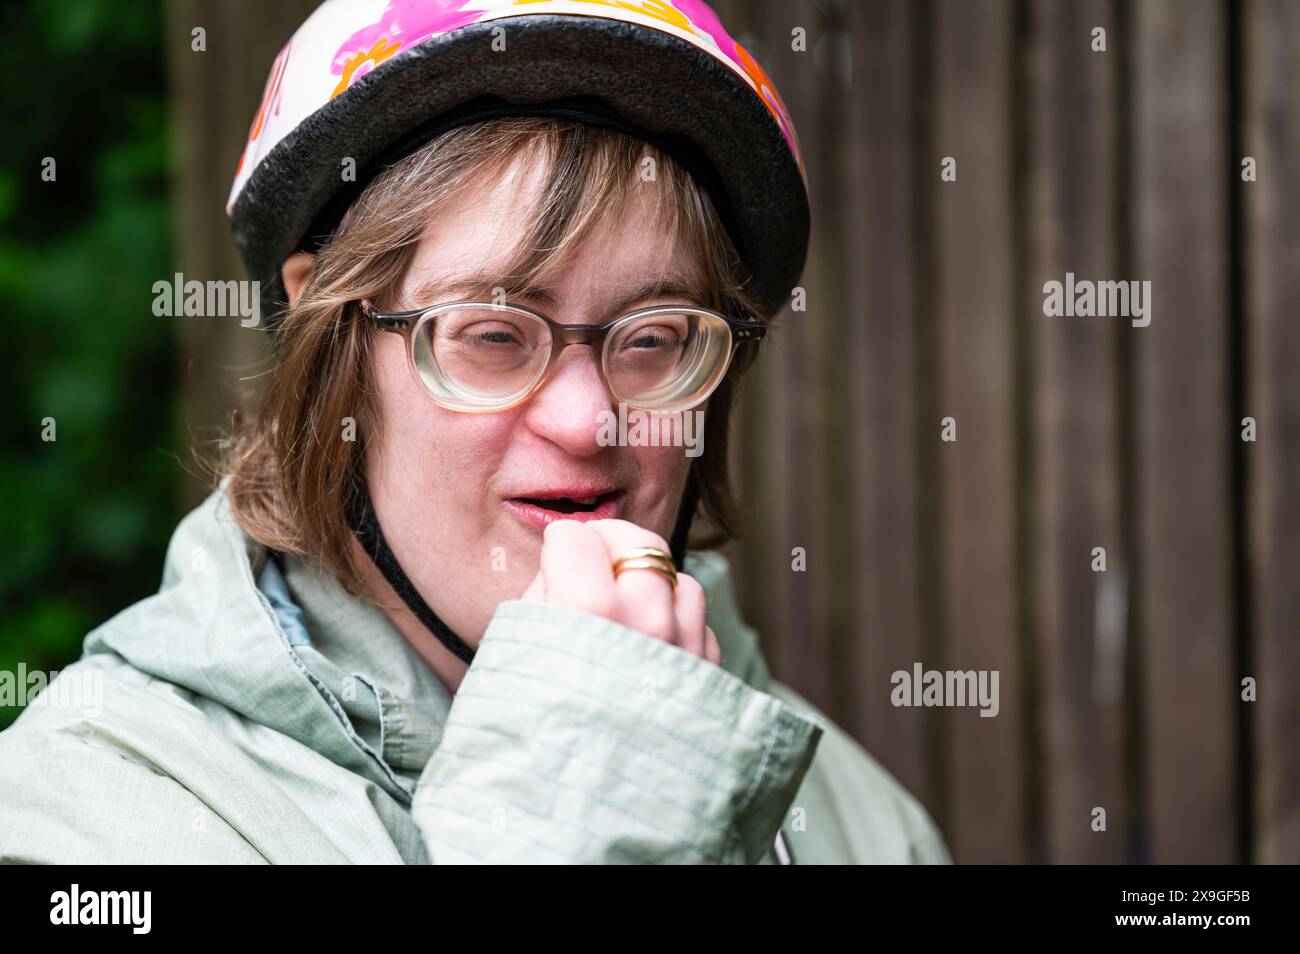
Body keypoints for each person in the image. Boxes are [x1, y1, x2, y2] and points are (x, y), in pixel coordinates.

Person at [0, 0, 949, 864]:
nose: (589, 420)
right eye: (493, 334)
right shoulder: (89, 809)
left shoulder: (860, 823)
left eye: (654, 337)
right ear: (326, 335)